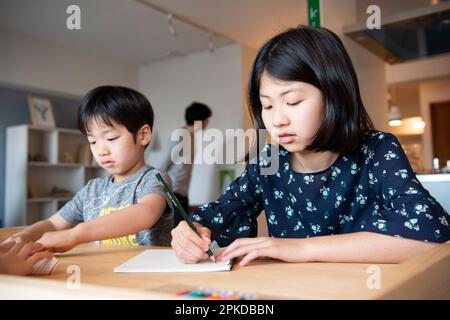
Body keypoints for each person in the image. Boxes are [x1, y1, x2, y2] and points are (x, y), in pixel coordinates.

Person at [171, 26, 450, 266]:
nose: (277, 120)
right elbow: (219, 215)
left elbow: (432, 233)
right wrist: (191, 231)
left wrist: (303, 248)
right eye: (267, 105)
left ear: (334, 95)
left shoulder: (377, 152)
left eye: (292, 102)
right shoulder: (268, 161)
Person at [3, 86, 173, 252]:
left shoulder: (155, 179)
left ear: (143, 135)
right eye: (92, 141)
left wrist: (75, 234)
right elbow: (54, 224)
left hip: (142, 276)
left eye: (111, 138)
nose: (101, 151)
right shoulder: (92, 189)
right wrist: (26, 235)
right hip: (101, 274)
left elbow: (145, 214)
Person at [157, 102, 212, 226]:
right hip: (173, 191)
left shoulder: (191, 137)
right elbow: (163, 162)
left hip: (182, 192)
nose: (208, 122)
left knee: (183, 227)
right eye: (207, 119)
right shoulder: (180, 135)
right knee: (177, 229)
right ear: (200, 121)